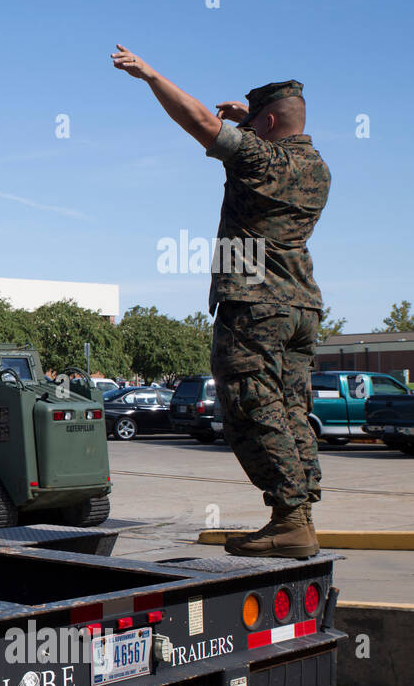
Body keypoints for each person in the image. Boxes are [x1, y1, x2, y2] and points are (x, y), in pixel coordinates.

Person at [112, 46, 330, 558]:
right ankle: (299, 514)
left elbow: (200, 123)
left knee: (250, 406)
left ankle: (289, 517)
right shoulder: (316, 167)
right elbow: (256, 143)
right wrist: (250, 123)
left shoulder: (261, 158)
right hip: (301, 306)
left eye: (255, 120)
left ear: (268, 120)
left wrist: (151, 75)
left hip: (255, 305)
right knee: (292, 409)